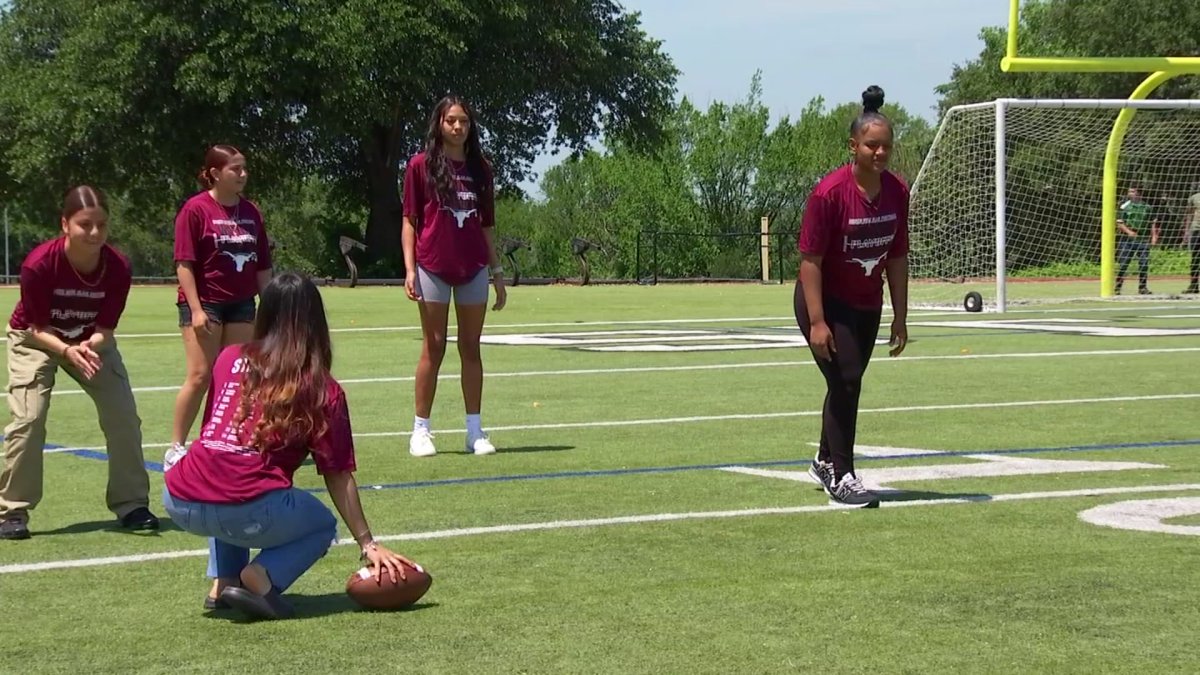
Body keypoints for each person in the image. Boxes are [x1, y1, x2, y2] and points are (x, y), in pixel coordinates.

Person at [162, 272, 416, 620]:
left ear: (263, 314)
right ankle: (263, 576)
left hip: (179, 498)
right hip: (242, 505)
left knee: (227, 472)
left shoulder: (228, 357)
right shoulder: (322, 388)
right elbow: (337, 474)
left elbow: (215, 441)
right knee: (320, 525)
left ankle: (224, 581)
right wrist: (367, 543)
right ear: (316, 322)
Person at [0, 186, 158, 539]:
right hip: (36, 340)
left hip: (89, 343)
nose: (94, 233)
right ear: (65, 225)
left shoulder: (117, 267)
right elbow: (36, 328)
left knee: (123, 416)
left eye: (101, 224)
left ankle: (132, 504)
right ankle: (12, 511)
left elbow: (106, 330)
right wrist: (66, 350)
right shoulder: (38, 265)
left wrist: (87, 346)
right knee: (29, 418)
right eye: (84, 224)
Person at [794, 86, 910, 509]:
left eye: (886, 147)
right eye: (871, 145)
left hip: (867, 303)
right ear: (853, 146)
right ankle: (842, 475)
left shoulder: (897, 192)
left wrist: (900, 316)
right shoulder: (829, 194)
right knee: (847, 382)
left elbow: (897, 256)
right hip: (825, 300)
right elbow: (810, 261)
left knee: (846, 383)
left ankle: (825, 459)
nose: (880, 153)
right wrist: (818, 321)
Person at [401, 95, 507, 458]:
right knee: (434, 346)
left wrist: (497, 272)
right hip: (432, 265)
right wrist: (410, 269)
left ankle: (474, 431)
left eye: (464, 121)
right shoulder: (419, 166)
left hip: (473, 267)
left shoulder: (482, 169)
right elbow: (409, 221)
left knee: (471, 348)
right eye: (451, 121)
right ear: (439, 124)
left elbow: (487, 226)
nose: (458, 127)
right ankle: (421, 430)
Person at [171, 145, 273, 456]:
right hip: (206, 304)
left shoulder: (251, 212)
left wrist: (270, 310)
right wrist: (198, 311)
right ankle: (175, 446)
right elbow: (184, 263)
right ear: (215, 173)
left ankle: (214, 442)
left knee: (235, 378)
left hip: (242, 304)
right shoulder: (195, 210)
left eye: (244, 168)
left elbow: (263, 267)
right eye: (235, 169)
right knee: (201, 374)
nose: (243, 174)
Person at [1115, 186, 1159, 295]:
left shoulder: (1147, 207)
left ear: (1139, 193)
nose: (1130, 193)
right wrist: (1129, 232)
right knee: (1124, 263)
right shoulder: (1124, 206)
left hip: (1143, 239)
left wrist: (1154, 236)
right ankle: (1118, 286)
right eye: (1129, 191)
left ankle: (1142, 287)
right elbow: (1120, 223)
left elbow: (1152, 223)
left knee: (1144, 263)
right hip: (1127, 239)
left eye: (1133, 191)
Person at [1184, 184, 1199, 295]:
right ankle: (1194, 285)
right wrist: (1186, 231)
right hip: (1196, 230)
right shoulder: (1194, 197)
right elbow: (1189, 214)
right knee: (1195, 259)